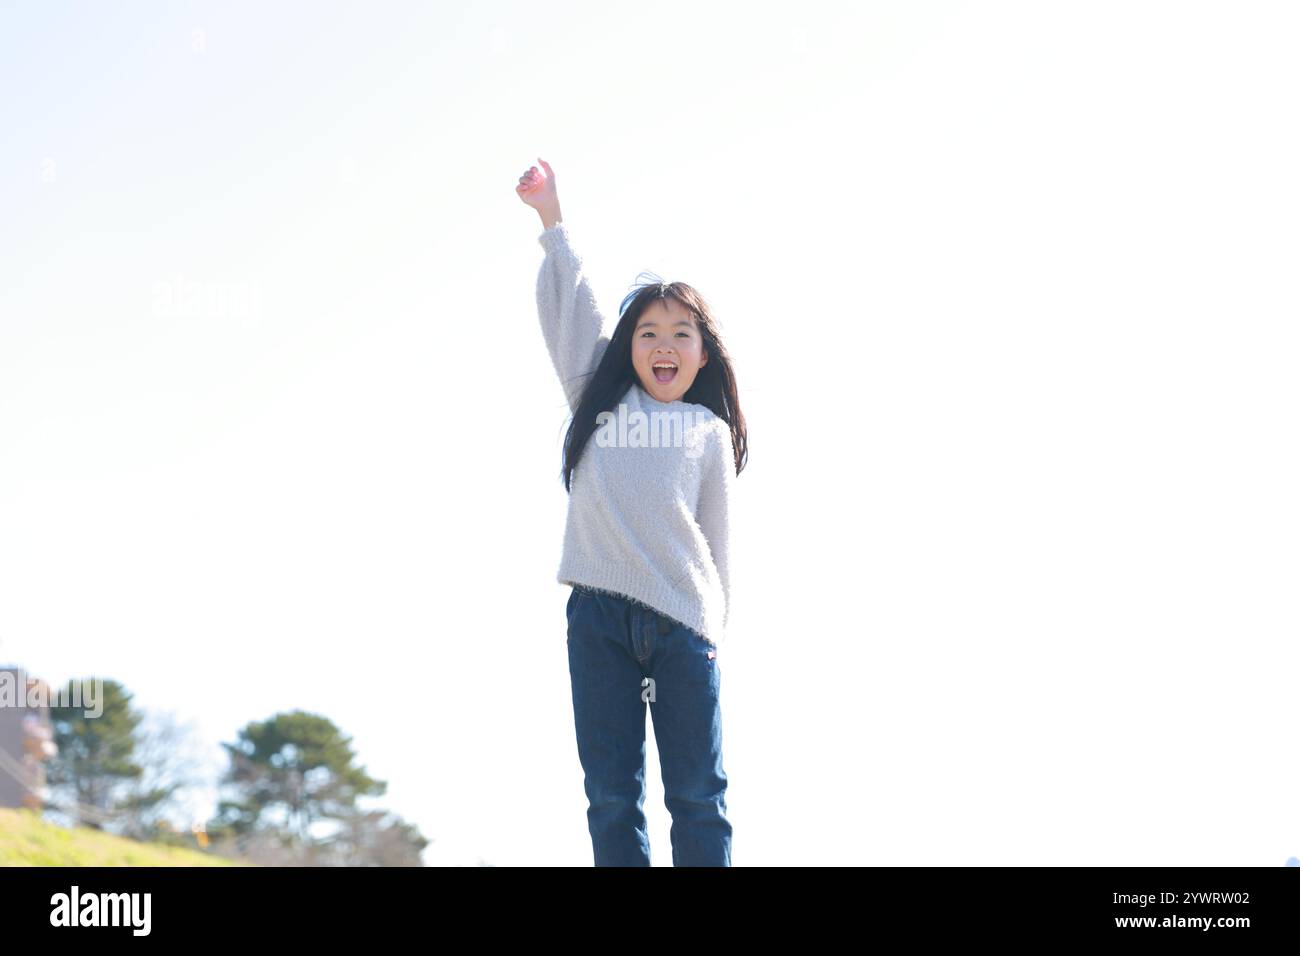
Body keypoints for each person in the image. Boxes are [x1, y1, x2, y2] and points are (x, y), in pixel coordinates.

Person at [517, 158, 747, 867]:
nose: (664, 344)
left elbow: (717, 545)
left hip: (683, 628)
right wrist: (552, 222)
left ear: (703, 352)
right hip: (598, 620)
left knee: (698, 799)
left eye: (681, 332)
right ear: (628, 347)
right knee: (613, 797)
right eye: (647, 332)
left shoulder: (706, 433)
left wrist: (711, 629)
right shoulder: (600, 397)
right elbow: (574, 306)